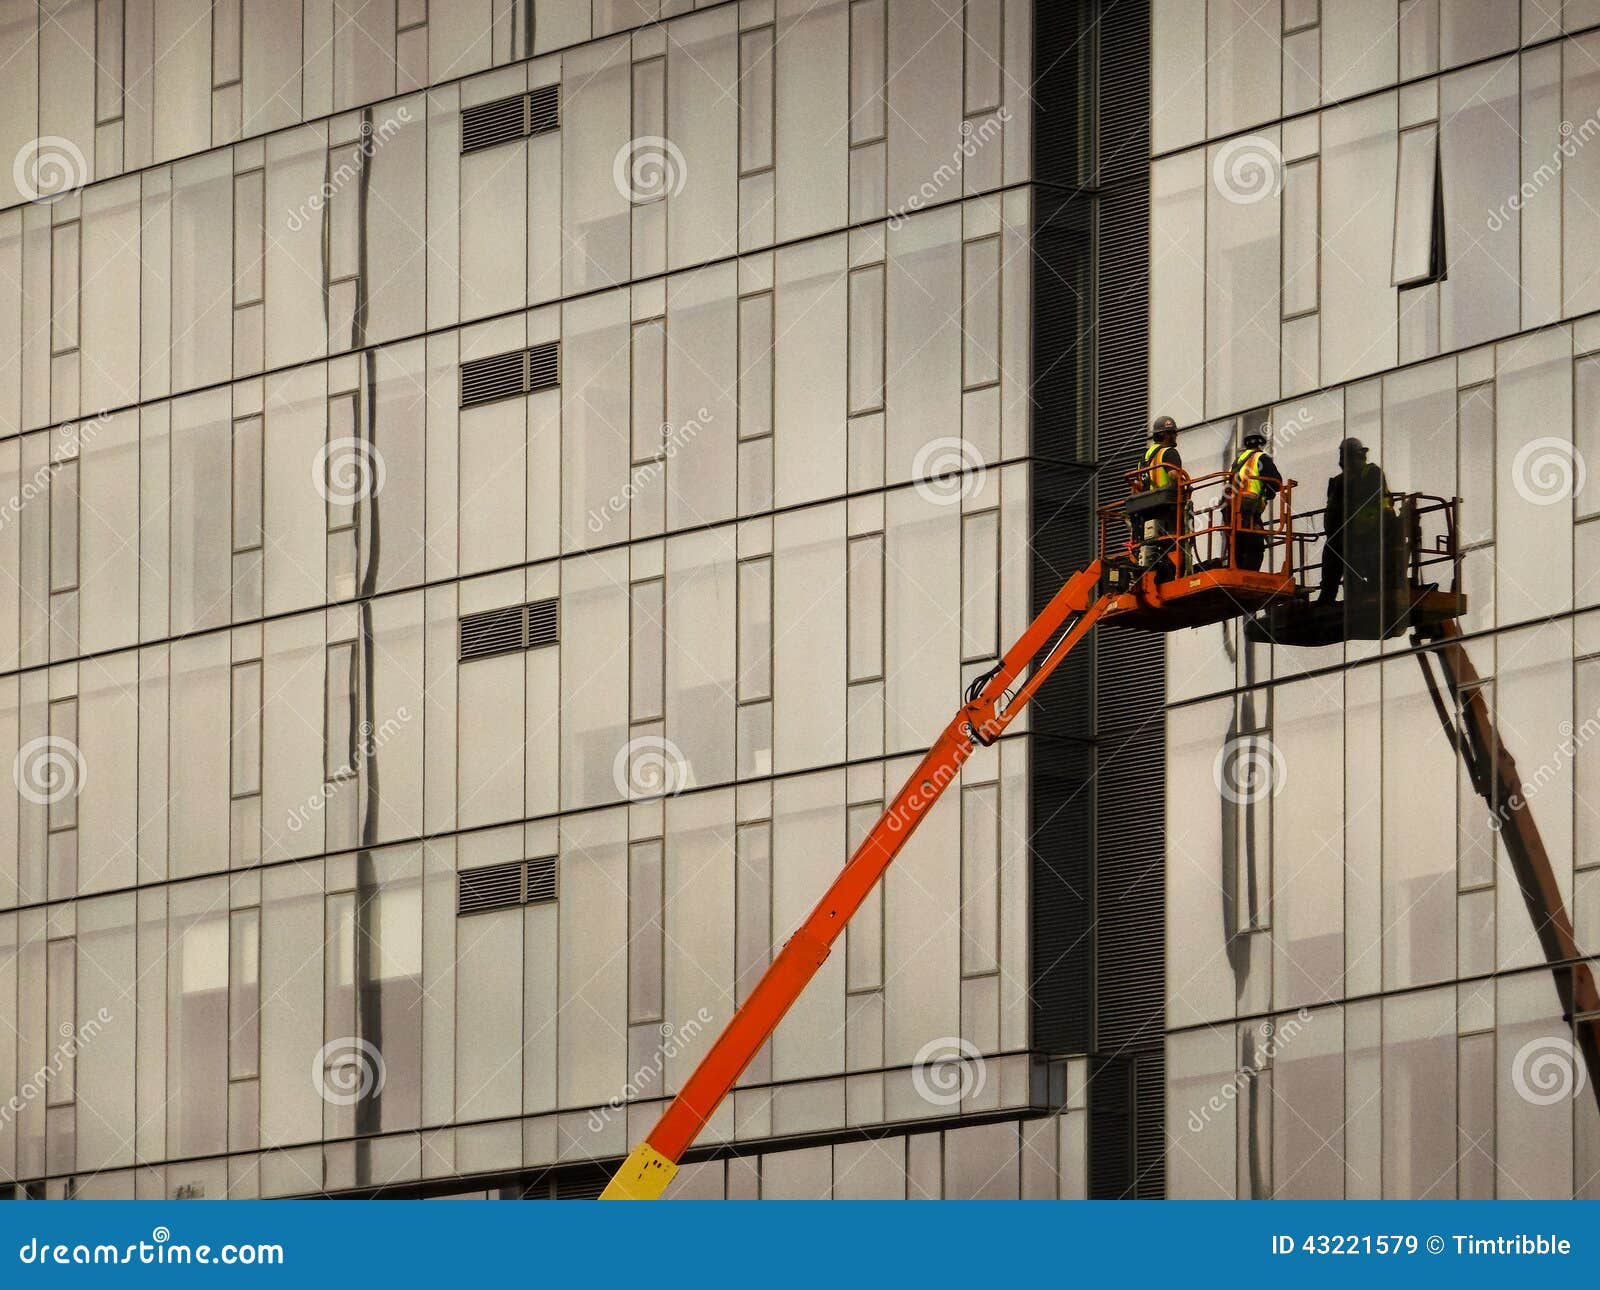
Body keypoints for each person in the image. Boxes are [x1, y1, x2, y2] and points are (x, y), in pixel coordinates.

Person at [1318, 437, 1389, 605]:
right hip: (1341, 533)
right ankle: (1327, 595)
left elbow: (1371, 499)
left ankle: (1364, 590)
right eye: (1342, 456)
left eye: (1347, 456)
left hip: (1369, 529)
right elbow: (1333, 507)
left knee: (1358, 558)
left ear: (1358, 456)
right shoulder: (1337, 481)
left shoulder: (1372, 473)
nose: (1344, 461)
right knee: (1331, 554)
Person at [1227, 431, 1282, 571]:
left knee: (1237, 548)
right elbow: (1276, 483)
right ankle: (1246, 576)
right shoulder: (1261, 458)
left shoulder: (1236, 463)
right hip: (1248, 510)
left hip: (1232, 510)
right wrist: (1268, 493)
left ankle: (1236, 573)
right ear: (1260, 445)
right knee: (1255, 548)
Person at [1135, 415, 1184, 571]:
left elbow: (1138, 485)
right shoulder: (1169, 452)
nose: (1175, 436)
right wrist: (1185, 489)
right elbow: (1174, 476)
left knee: (1151, 543)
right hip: (1166, 505)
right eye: (1173, 433)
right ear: (1164, 435)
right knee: (1174, 544)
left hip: (1146, 508)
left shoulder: (1144, 457)